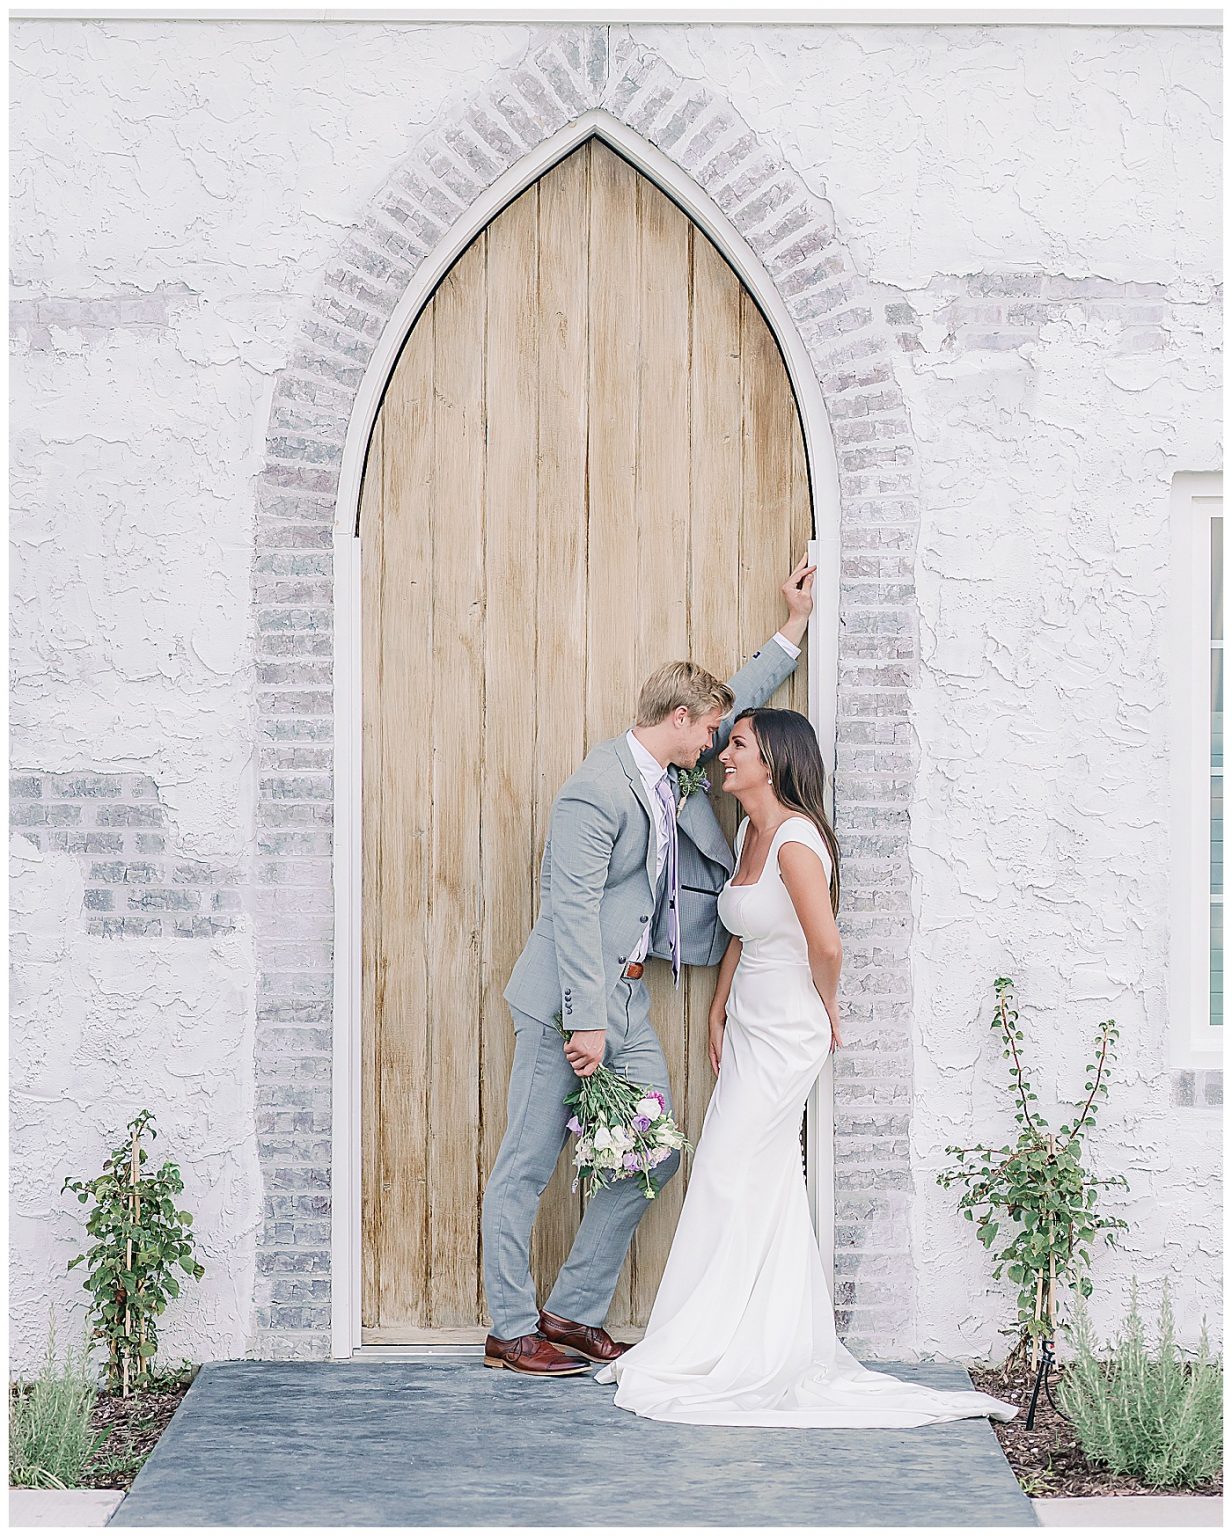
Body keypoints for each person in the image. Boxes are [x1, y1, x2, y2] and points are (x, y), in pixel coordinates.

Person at [596, 708, 1018, 1428]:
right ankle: (741, 1333)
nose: (723, 755)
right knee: (755, 1177)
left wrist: (831, 1012)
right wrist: (718, 1005)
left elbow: (826, 945)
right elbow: (743, 928)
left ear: (773, 761)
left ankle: (729, 1344)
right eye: (727, 743)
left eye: (737, 745)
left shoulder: (794, 841)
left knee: (731, 1167)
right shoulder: (749, 831)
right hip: (750, 1017)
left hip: (790, 1026)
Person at [479, 558, 817, 1376]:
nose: (717, 748)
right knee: (527, 1162)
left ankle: (572, 1309)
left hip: (625, 1004)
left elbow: (734, 692)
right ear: (677, 718)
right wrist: (585, 1021)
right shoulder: (595, 792)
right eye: (711, 734)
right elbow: (568, 911)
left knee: (655, 1153)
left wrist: (794, 628)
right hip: (568, 1002)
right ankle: (509, 1326)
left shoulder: (670, 773)